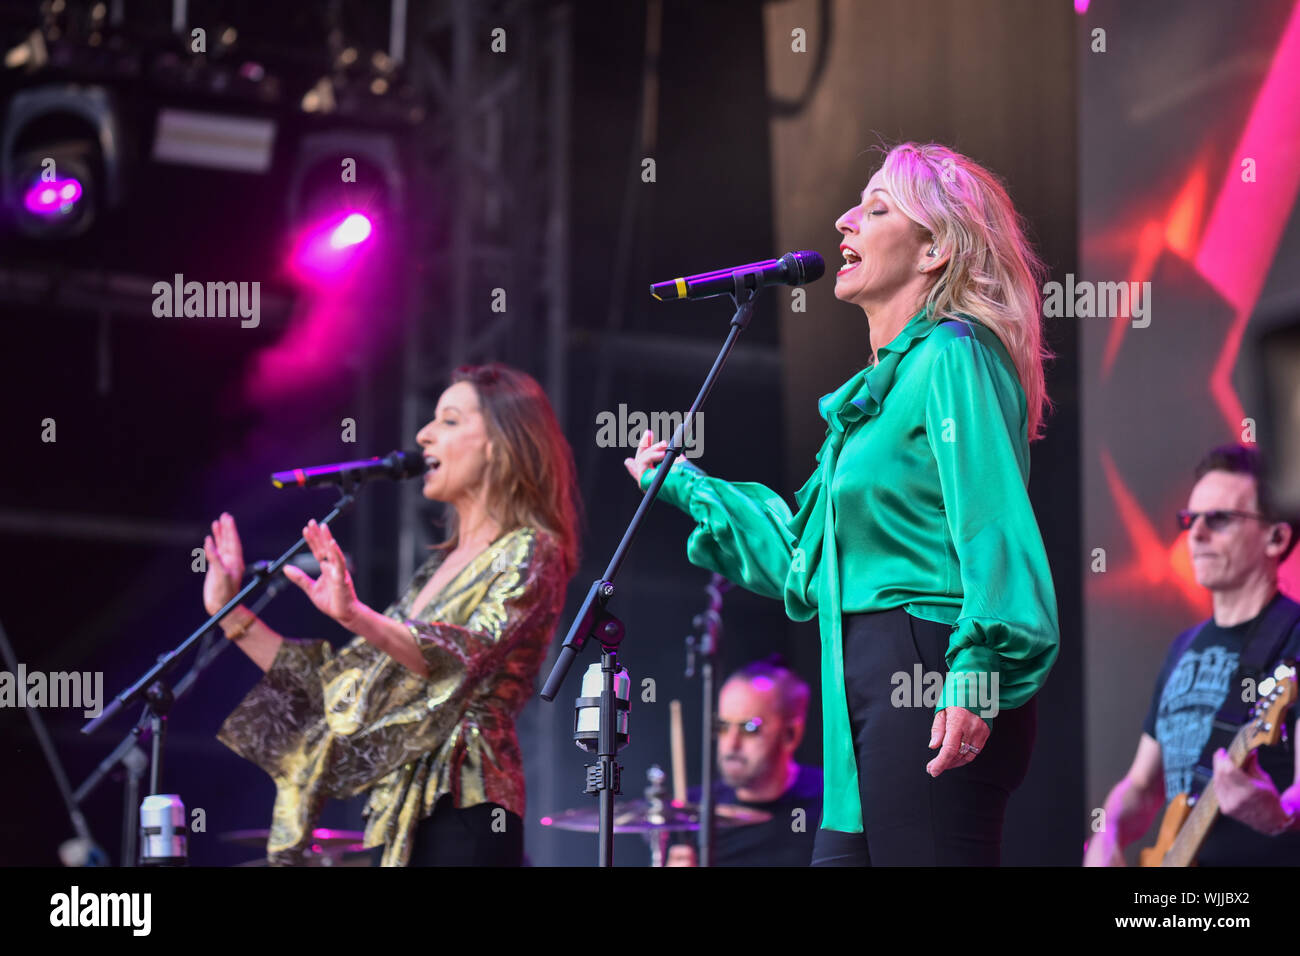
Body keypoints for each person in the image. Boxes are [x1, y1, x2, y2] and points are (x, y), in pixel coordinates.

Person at [626, 142, 1059, 866]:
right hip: (855, 685)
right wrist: (684, 484)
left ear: (933, 251)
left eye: (877, 208)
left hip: (929, 663)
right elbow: (803, 560)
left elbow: (995, 528)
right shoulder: (873, 401)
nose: (844, 220)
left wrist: (976, 674)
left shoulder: (953, 355)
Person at [204, 363, 580, 866]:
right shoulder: (435, 571)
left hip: (465, 802)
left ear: (500, 443)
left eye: (448, 420)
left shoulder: (533, 550)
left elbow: (463, 656)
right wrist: (229, 615)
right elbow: (340, 686)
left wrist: (357, 615)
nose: (424, 434)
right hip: (396, 805)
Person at [1084, 444, 1300, 866]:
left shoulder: (1294, 639)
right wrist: (1107, 831)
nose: (1195, 534)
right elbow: (1143, 787)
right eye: (1189, 519)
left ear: (1276, 538)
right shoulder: (1184, 647)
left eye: (1218, 519)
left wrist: (1280, 814)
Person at [666, 654, 823, 867]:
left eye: (749, 728)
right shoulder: (689, 811)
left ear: (790, 734)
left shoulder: (831, 805)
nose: (731, 745)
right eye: (722, 726)